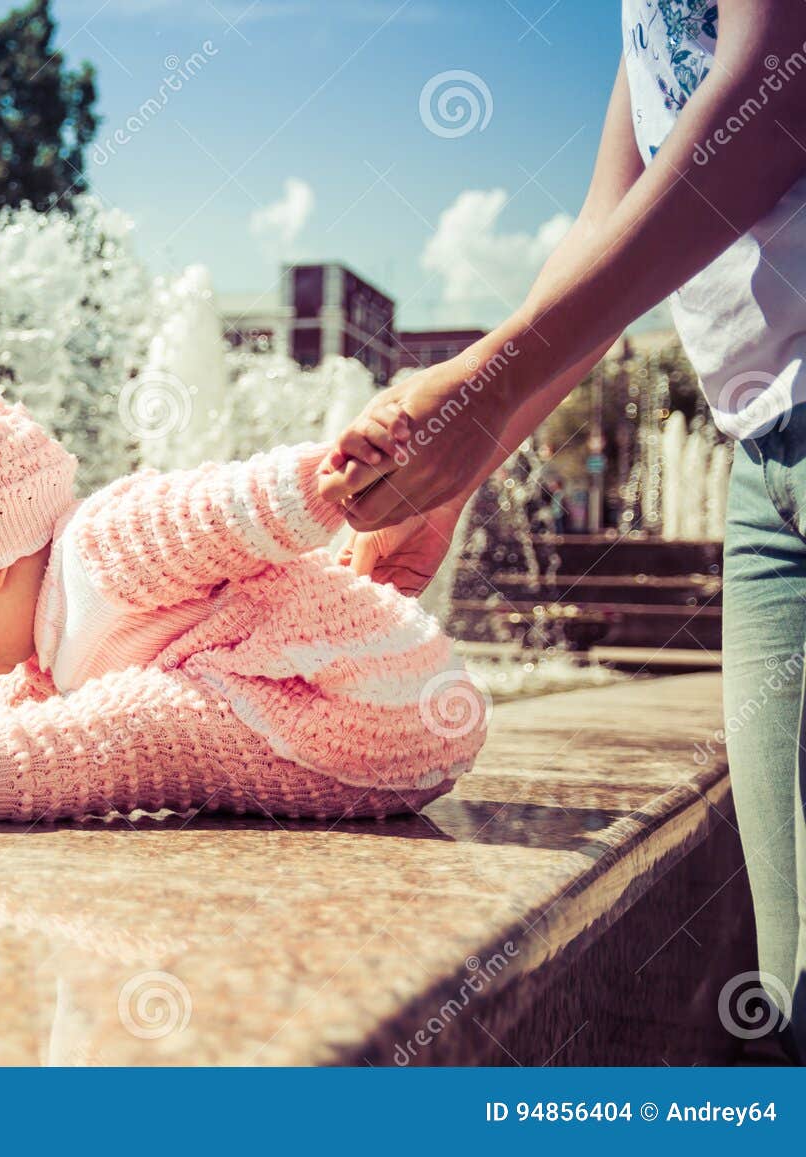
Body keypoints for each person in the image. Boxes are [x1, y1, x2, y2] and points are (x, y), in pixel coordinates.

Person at [318, 1, 806, 1063]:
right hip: (764, 457)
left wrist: (486, 395)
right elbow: (606, 226)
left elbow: (775, 102)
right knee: (790, 988)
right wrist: (462, 467)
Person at [0, 379, 486, 826]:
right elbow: (31, 706)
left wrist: (329, 482)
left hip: (380, 702)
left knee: (148, 723)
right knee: (91, 710)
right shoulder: (47, 653)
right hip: (341, 746)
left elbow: (220, 512)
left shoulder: (101, 545)